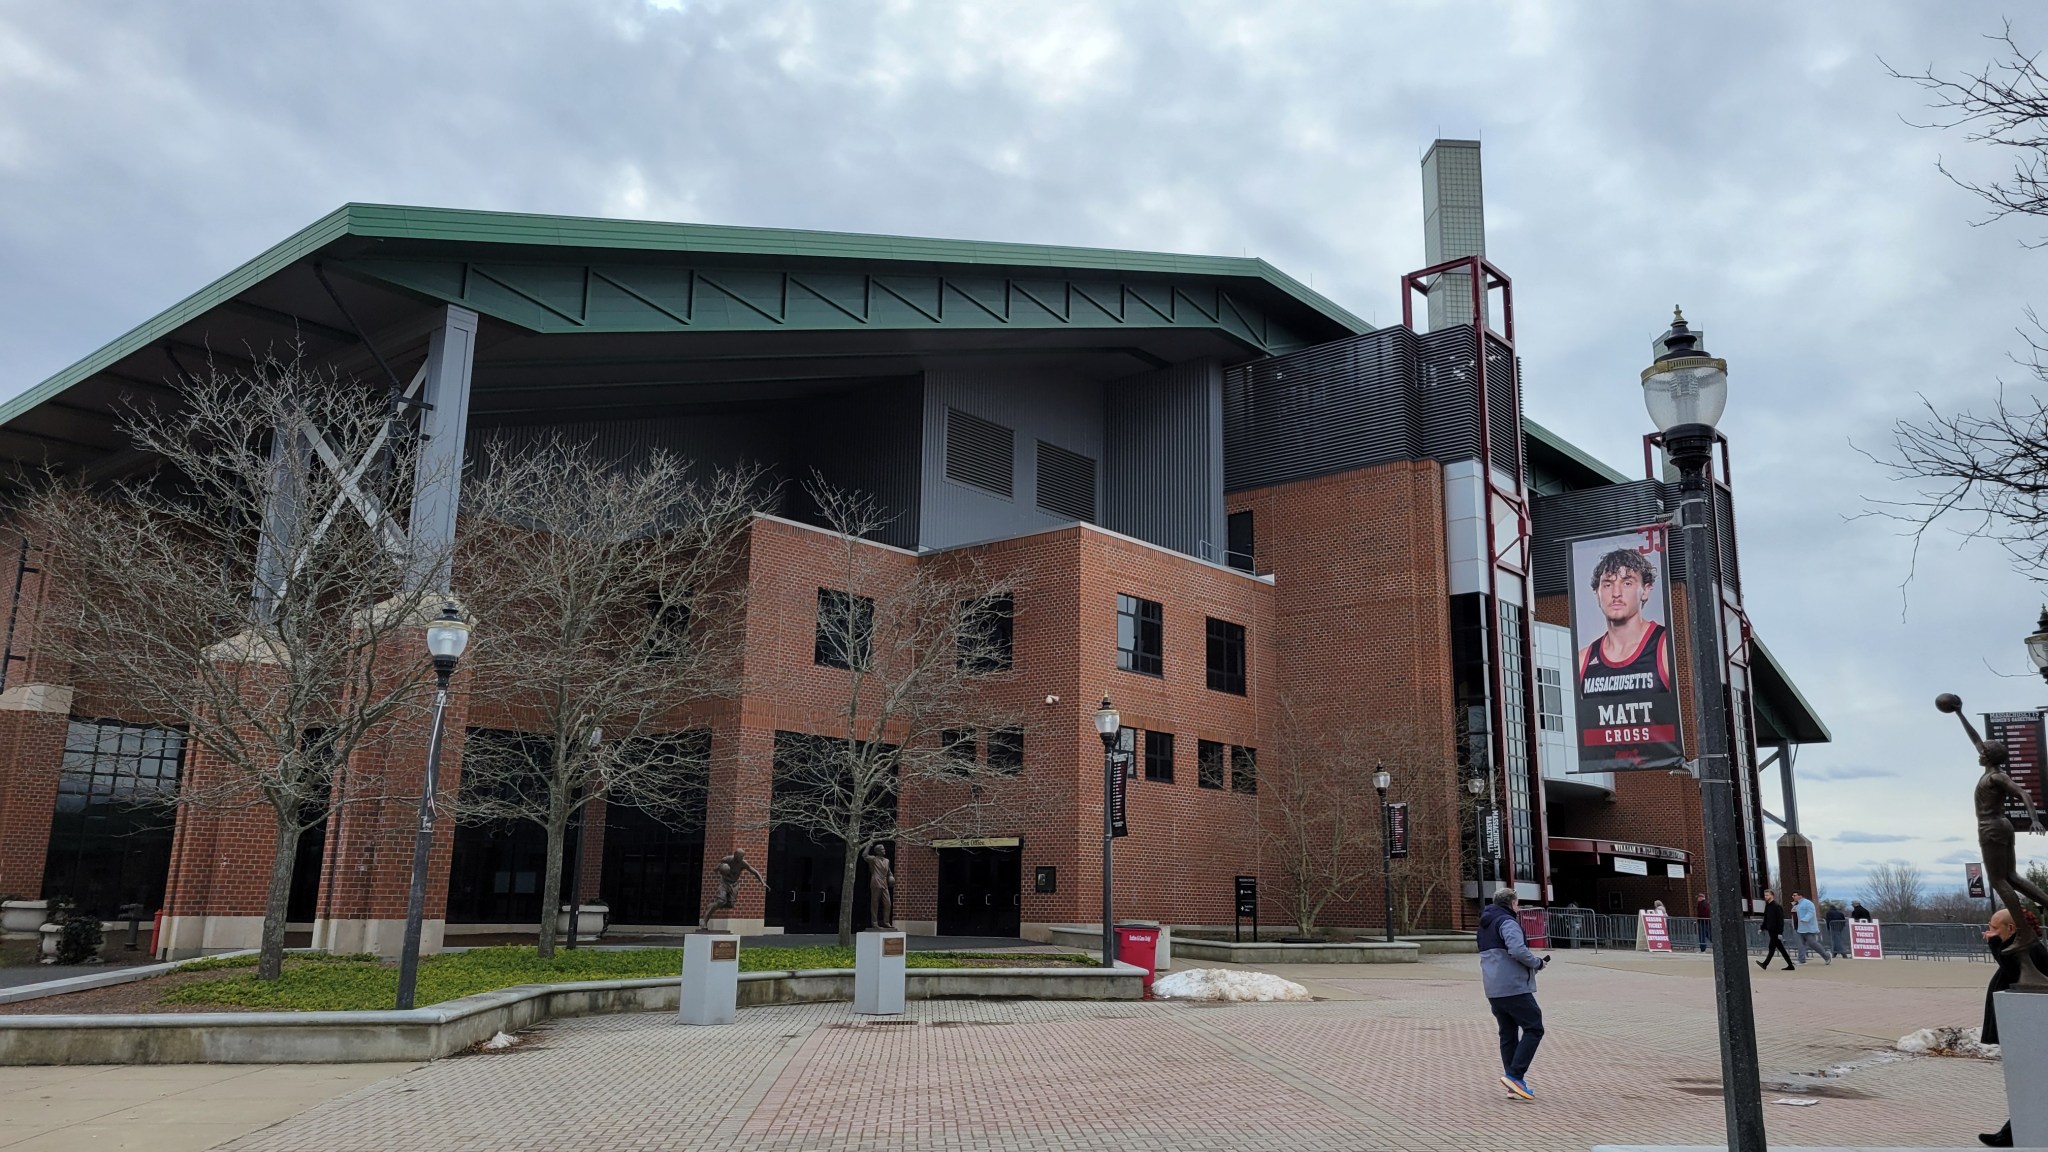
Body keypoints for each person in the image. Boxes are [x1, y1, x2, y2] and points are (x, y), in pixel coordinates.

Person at [1977, 907, 2048, 1147]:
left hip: (2030, 1031)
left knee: (2032, 1085)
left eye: (1994, 928)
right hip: (2024, 1030)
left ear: (2011, 929)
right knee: (2031, 1085)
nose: (1989, 933)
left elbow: (2013, 971)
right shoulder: (2025, 950)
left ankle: (2011, 1133)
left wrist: (1995, 945)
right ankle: (2010, 1132)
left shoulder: (2029, 952)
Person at [1477, 887, 1549, 1100]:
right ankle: (1516, 1075)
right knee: (1534, 1027)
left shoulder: (1484, 924)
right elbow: (1517, 950)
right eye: (1517, 903)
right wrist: (1537, 963)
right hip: (1513, 987)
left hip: (1493, 988)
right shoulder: (1508, 922)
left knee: (1508, 1033)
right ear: (1512, 903)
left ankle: (1513, 1082)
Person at [1577, 548, 1674, 695]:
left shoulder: (1666, 647)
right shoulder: (1584, 659)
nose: (1616, 593)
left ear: (1645, 590)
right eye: (1608, 585)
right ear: (1597, 593)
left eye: (1627, 583)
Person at [1758, 889, 1795, 971]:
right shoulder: (1768, 906)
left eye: (1767, 895)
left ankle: (1765, 964)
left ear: (1772, 896)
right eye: (1765, 895)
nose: (1766, 897)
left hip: (1775, 931)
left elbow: (1780, 920)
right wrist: (1762, 928)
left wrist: (1780, 932)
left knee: (1772, 947)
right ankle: (1790, 965)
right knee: (1781, 948)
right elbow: (1766, 918)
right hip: (1771, 930)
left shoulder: (1777, 906)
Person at [1792, 892, 1829, 966]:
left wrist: (1805, 919)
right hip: (1798, 928)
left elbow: (1811, 912)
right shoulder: (1796, 905)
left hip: (1808, 928)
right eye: (1792, 895)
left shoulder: (1808, 903)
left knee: (1812, 943)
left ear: (1800, 895)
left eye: (1794, 895)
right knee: (1800, 944)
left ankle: (1826, 956)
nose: (1793, 897)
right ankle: (1801, 960)